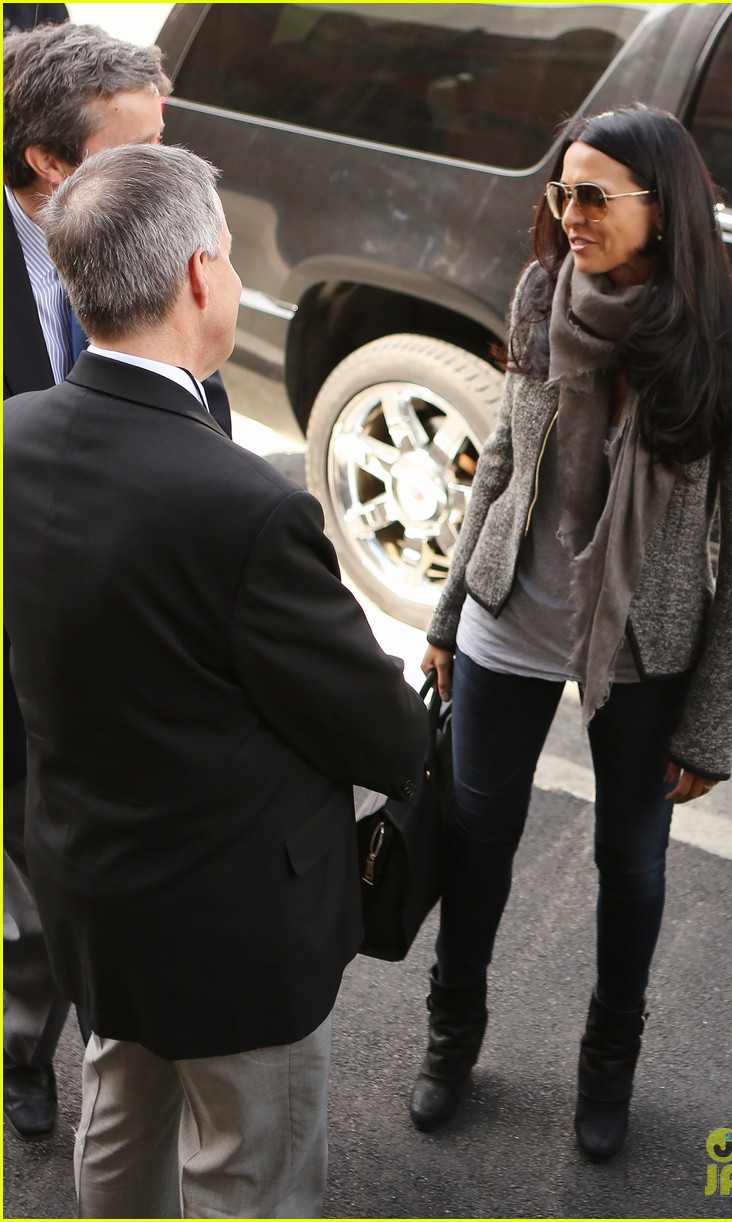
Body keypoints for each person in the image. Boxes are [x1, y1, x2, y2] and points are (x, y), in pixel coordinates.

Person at [4, 142, 429, 1218]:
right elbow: (381, 734)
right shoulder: (246, 505)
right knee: (250, 1172)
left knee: (121, 1120)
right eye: (231, 257)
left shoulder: (13, 436)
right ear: (200, 275)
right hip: (233, 927)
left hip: (92, 892)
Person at [409, 104, 732, 1161]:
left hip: (644, 648)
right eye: (560, 193)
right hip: (508, 619)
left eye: (592, 197)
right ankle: (450, 1037)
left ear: (662, 210)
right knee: (476, 841)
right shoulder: (542, 293)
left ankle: (607, 1063)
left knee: (629, 863)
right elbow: (499, 459)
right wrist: (448, 611)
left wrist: (710, 725)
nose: (568, 214)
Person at [2, 20, 233, 1143]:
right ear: (50, 164)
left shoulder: (169, 236)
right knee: (29, 890)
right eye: (138, 147)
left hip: (133, 655)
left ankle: (120, 1054)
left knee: (120, 882)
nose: (169, 169)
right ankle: (22, 1045)